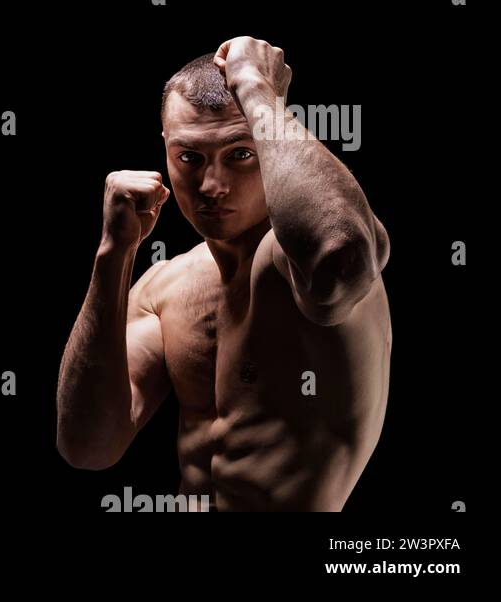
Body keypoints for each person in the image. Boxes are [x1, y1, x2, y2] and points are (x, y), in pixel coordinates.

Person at [56, 37, 391, 511]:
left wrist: (259, 92)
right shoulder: (164, 286)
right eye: (190, 158)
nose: (212, 187)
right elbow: (88, 446)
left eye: (241, 154)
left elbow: (341, 262)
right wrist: (114, 253)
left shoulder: (300, 261)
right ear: (166, 150)